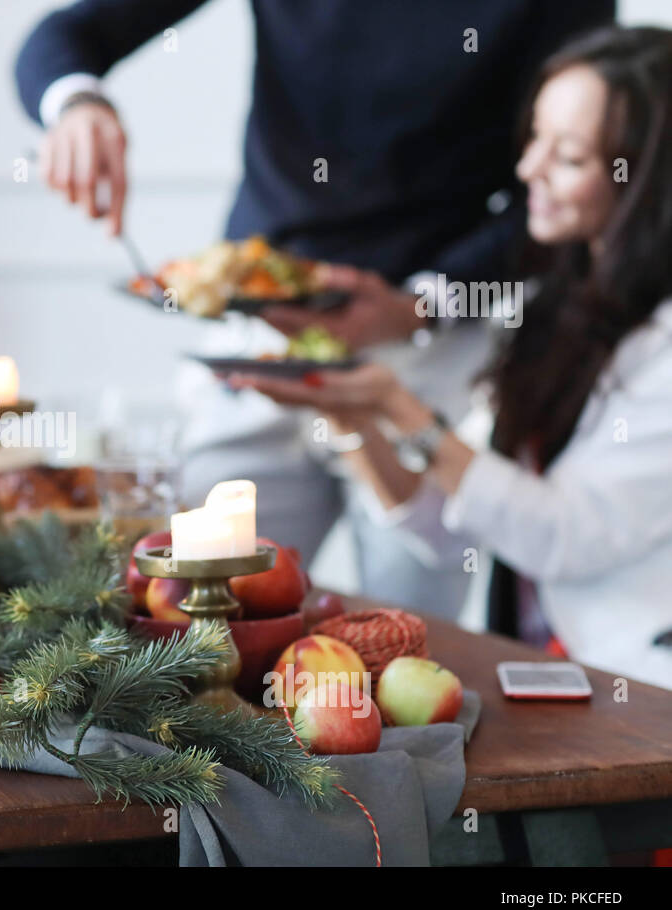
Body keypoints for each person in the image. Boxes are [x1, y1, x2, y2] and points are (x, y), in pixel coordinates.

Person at [15, 0, 614, 618]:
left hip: (428, 352)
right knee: (188, 607)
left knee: (404, 627)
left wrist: (417, 306)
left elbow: (561, 190)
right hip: (260, 345)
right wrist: (79, 107)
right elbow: (68, 35)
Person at [230, 26, 672, 688]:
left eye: (570, 158)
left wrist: (399, 406)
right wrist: (351, 413)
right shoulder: (547, 309)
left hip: (638, 695)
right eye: (534, 140)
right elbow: (452, 524)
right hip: (539, 681)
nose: (528, 172)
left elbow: (561, 535)